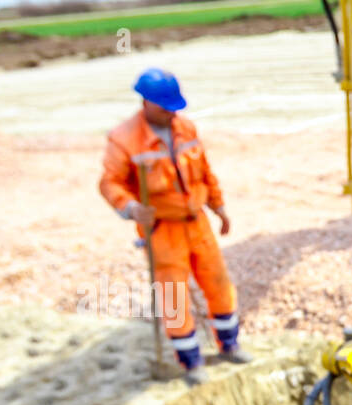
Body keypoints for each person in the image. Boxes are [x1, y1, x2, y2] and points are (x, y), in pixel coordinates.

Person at [99, 68, 251, 385]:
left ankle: (229, 344)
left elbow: (205, 172)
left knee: (218, 283)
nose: (171, 113)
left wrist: (219, 207)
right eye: (164, 107)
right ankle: (191, 362)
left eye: (173, 106)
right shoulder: (124, 139)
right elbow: (110, 183)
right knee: (173, 295)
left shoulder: (186, 128)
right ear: (145, 102)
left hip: (198, 222)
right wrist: (130, 207)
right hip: (162, 229)